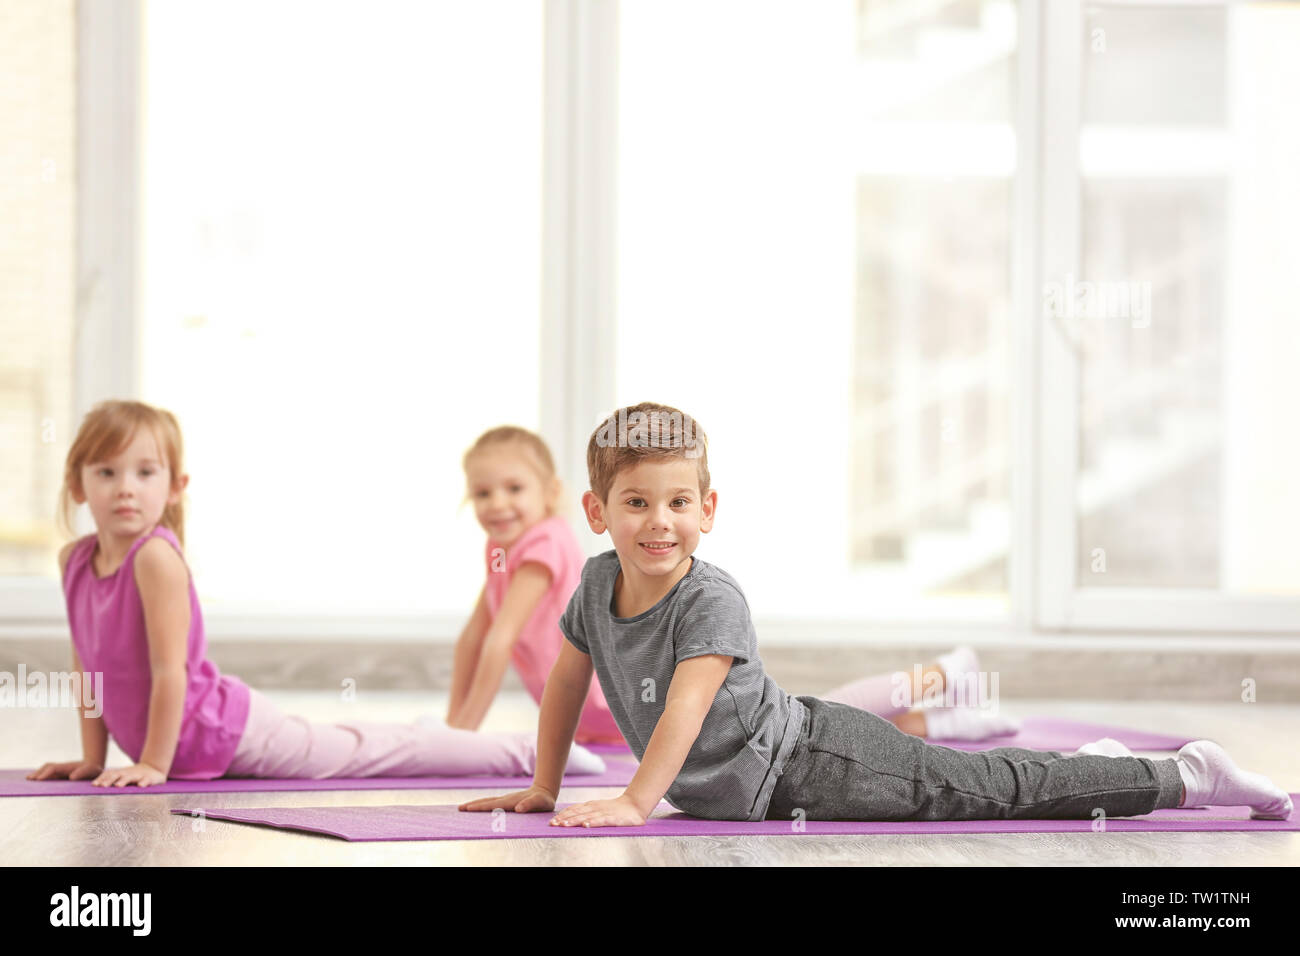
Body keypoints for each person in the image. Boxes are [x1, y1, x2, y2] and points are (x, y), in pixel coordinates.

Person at [459, 402, 1293, 825]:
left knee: (991, 792)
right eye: (635, 502)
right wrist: (541, 783)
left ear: (709, 507)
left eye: (678, 501)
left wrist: (635, 804)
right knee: (1006, 782)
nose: (659, 522)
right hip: (771, 779)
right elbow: (567, 681)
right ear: (596, 511)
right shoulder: (594, 586)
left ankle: (1182, 774)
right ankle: (1097, 763)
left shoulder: (711, 601)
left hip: (819, 764)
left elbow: (684, 710)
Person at [27, 400, 605, 788]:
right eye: (106, 472)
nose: (126, 488)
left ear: (175, 487)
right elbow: (89, 667)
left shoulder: (154, 557)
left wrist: (152, 762)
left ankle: (527, 754)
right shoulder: (75, 561)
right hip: (193, 743)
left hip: (224, 733)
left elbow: (168, 671)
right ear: (77, 483)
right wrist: (93, 759)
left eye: (145, 472)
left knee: (367, 754)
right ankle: (445, 734)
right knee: (360, 743)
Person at [445, 426, 622, 744]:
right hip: (579, 709)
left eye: (514, 488)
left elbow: (500, 638)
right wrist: (452, 722)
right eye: (483, 493)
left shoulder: (545, 542)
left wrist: (463, 733)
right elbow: (473, 637)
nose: (497, 503)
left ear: (550, 492)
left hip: (610, 698)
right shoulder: (499, 547)